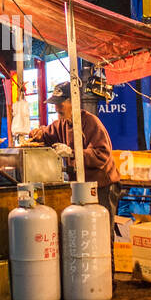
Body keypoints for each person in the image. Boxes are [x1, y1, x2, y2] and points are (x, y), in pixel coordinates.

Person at [28, 80, 122, 218]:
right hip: (81, 186)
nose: (57, 108)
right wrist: (36, 133)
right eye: (55, 104)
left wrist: (72, 153)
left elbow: (101, 154)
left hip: (102, 185)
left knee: (102, 229)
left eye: (60, 104)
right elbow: (46, 135)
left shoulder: (90, 122)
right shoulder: (61, 123)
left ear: (74, 102)